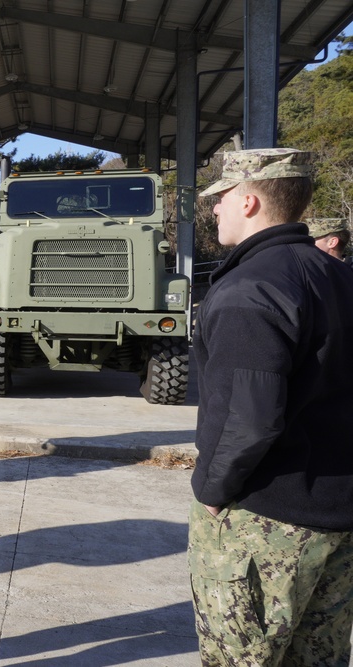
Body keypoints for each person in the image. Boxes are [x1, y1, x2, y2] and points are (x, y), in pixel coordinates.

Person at [189, 148, 353, 664]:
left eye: (221, 199)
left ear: (251, 201)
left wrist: (213, 489)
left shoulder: (251, 288)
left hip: (266, 520)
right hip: (339, 515)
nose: (214, 210)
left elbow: (248, 416)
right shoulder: (340, 278)